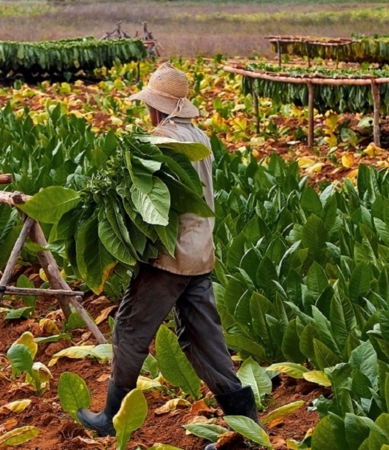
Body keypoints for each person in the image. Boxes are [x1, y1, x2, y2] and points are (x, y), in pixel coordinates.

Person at [77, 63, 262, 449]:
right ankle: (246, 427)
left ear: (156, 108)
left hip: (169, 259)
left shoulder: (158, 144)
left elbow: (148, 207)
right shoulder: (199, 137)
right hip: (201, 254)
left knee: (129, 329)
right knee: (202, 339)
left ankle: (111, 417)